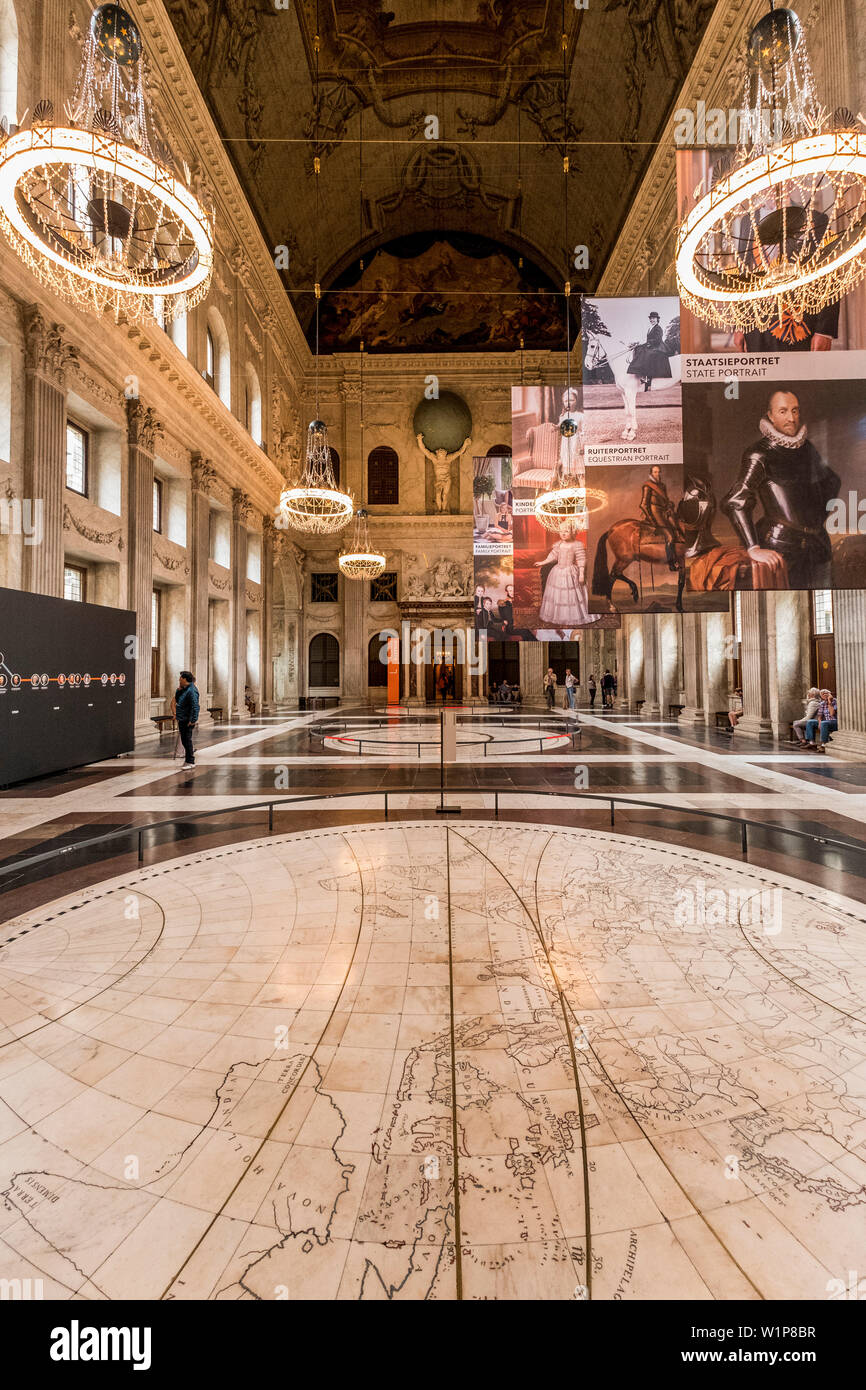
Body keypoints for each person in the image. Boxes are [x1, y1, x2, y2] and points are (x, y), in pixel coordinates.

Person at [721, 388, 841, 589]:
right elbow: (735, 501)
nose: (791, 418)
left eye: (795, 411)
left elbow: (832, 482)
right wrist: (753, 547)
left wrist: (813, 520)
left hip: (818, 547)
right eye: (783, 411)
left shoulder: (807, 448)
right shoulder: (759, 454)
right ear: (771, 415)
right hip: (780, 550)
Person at [535, 527, 590, 634]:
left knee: (571, 595)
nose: (563, 533)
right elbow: (553, 556)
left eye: (566, 531)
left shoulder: (577, 544)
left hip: (570, 571)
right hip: (557, 572)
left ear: (572, 532)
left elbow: (581, 559)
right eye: (561, 531)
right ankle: (560, 617)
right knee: (558, 595)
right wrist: (543, 562)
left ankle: (572, 617)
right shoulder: (558, 544)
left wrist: (581, 574)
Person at [640, 464, 679, 571]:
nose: (657, 474)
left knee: (677, 529)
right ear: (651, 473)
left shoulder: (662, 485)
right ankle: (671, 564)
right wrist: (651, 519)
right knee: (670, 536)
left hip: (663, 512)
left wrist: (669, 505)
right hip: (654, 513)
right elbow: (643, 505)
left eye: (658, 472)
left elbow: (665, 501)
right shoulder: (647, 486)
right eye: (655, 472)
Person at [628, 311, 672, 390]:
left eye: (654, 318)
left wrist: (649, 343)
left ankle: (647, 378)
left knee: (648, 354)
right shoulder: (650, 328)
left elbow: (658, 340)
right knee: (638, 349)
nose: (652, 320)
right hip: (651, 345)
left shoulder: (658, 328)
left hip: (658, 347)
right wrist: (639, 344)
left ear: (657, 319)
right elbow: (648, 339)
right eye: (651, 318)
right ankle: (639, 372)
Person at [175, 670, 199, 770]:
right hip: (182, 718)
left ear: (185, 679)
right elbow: (177, 700)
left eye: (180, 678)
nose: (179, 680)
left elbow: (195, 706)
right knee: (185, 741)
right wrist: (179, 690)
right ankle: (188, 760)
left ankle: (190, 761)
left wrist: (193, 720)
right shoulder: (185, 689)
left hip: (187, 719)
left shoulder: (192, 690)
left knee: (187, 741)